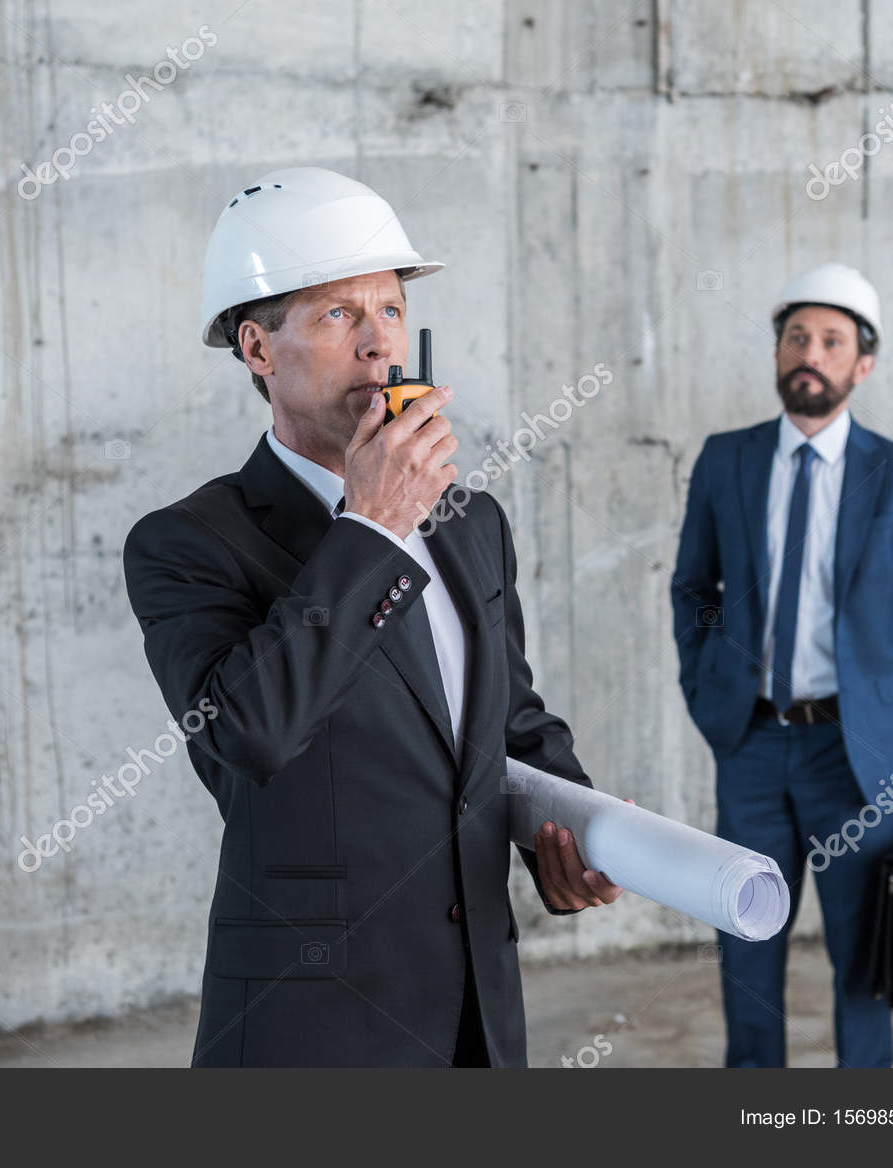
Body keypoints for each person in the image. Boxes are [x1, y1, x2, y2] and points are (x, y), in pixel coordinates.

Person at [123, 167, 621, 1067]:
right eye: (337, 316)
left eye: (389, 311)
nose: (377, 346)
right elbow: (249, 736)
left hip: (478, 1014)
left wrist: (575, 829)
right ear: (258, 350)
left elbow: (507, 721)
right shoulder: (186, 544)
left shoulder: (471, 522)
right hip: (311, 1024)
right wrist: (372, 526)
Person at [670, 262, 893, 1067]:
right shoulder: (726, 461)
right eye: (797, 337)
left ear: (861, 364)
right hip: (752, 745)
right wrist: (710, 695)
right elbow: (693, 588)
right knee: (746, 953)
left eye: (831, 341)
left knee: (864, 962)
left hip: (859, 754)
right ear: (778, 353)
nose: (810, 352)